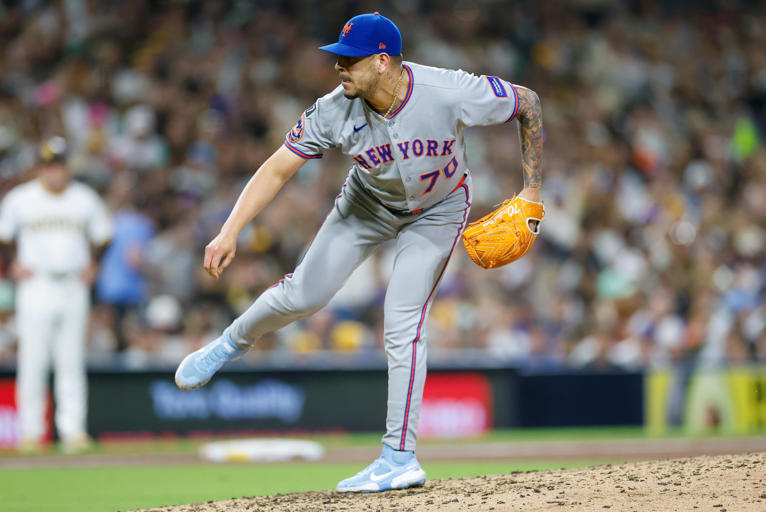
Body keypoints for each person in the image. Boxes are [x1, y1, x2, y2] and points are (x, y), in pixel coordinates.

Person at [175, 12, 543, 491]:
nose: (339, 68)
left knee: (402, 322)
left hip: (437, 211)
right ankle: (230, 343)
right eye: (338, 59)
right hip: (366, 204)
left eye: (350, 59)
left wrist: (532, 190)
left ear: (383, 61)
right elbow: (276, 169)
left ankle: (398, 457)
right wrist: (230, 230)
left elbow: (528, 102)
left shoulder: (448, 89)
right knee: (302, 295)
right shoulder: (332, 109)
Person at [0, 136, 113, 453]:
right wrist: (11, 265)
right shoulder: (21, 199)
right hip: (35, 284)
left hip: (73, 283)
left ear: (67, 167)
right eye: (49, 165)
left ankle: (73, 432)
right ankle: (30, 433)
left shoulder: (84, 198)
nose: (55, 171)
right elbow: (4, 236)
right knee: (33, 360)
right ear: (40, 167)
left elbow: (105, 236)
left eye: (60, 165)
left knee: (71, 361)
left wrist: (94, 265)